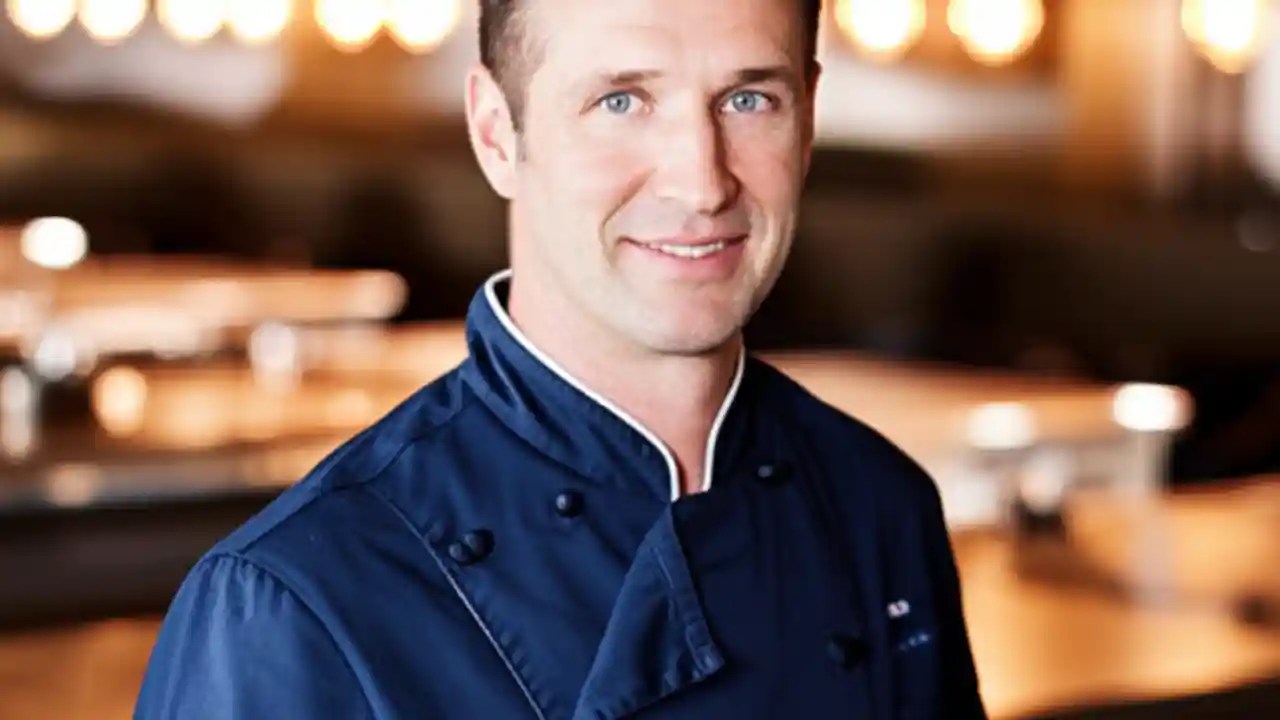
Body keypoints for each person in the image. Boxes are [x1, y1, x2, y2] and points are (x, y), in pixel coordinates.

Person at [136, 0, 986, 717]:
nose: (702, 182)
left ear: (807, 123)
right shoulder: (292, 600)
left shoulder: (879, 504)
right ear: (497, 134)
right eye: (622, 101)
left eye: (749, 100)